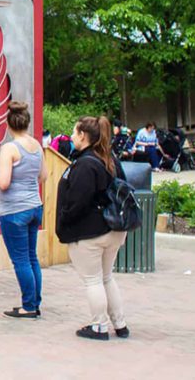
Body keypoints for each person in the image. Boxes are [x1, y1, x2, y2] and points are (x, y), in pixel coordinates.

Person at [56, 115, 130, 341]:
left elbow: (78, 201)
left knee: (93, 280)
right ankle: (120, 323)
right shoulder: (109, 159)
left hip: (90, 231)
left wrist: (65, 221)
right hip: (114, 228)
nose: (71, 136)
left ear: (83, 135)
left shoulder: (85, 165)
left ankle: (98, 326)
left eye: (74, 132)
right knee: (107, 277)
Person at [0, 101, 47, 319]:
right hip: (35, 205)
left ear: (8, 124)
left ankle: (29, 306)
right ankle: (34, 302)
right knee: (32, 257)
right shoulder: (36, 146)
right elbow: (43, 176)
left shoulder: (9, 149)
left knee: (21, 260)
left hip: (14, 210)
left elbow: (3, 182)